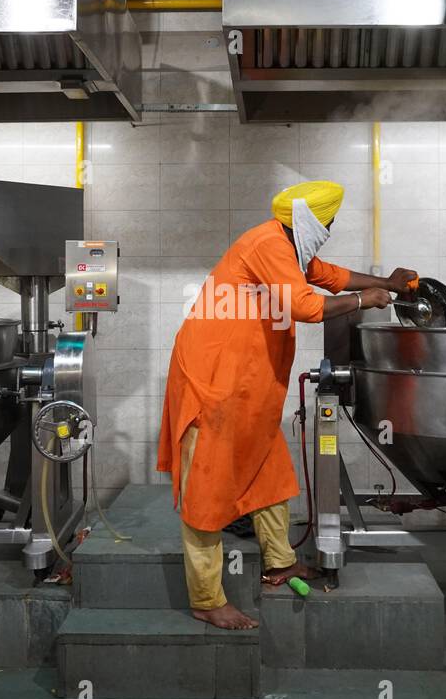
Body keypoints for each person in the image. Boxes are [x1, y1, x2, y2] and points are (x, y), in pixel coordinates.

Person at [157, 180, 418, 629]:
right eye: (329, 222)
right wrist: (363, 301)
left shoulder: (286, 245)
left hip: (249, 385)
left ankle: (279, 563)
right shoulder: (266, 243)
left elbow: (328, 275)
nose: (331, 229)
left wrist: (385, 282)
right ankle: (205, 598)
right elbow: (304, 305)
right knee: (208, 488)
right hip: (214, 382)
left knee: (269, 472)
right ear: (313, 220)